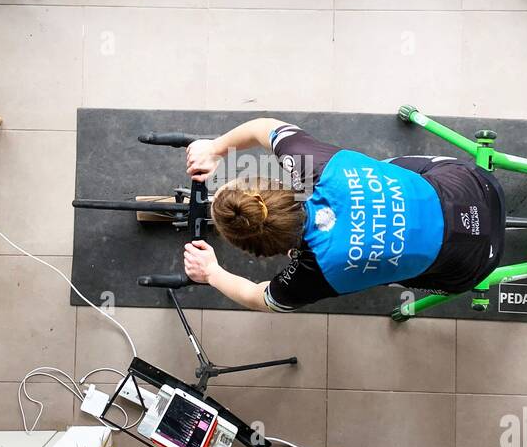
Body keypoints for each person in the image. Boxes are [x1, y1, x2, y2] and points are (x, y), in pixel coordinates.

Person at [181, 117, 504, 312]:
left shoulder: (314, 273)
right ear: (275, 185)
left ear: (261, 250)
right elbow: (263, 128)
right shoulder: (316, 167)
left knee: (387, 272)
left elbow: (262, 298)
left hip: (472, 269)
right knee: (387, 169)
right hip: (476, 185)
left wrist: (211, 273)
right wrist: (216, 148)